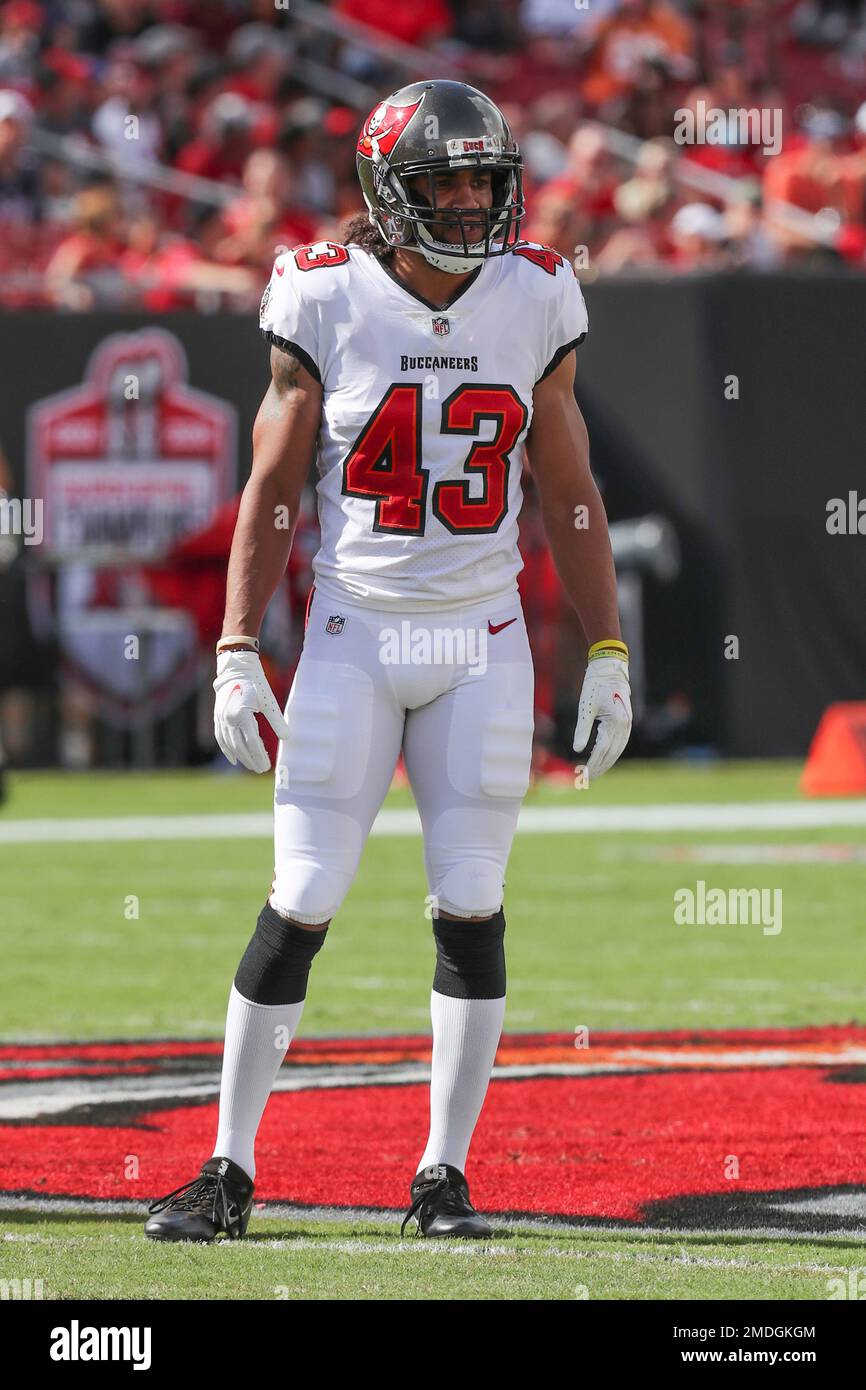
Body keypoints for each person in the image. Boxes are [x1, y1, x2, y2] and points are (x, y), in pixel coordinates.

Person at [145, 79, 632, 1244]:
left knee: (470, 903)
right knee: (301, 894)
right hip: (355, 633)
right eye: (443, 182)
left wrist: (607, 644)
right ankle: (225, 1166)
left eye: (483, 180)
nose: (469, 204)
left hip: (481, 641)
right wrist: (233, 644)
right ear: (386, 192)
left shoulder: (536, 293)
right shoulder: (323, 294)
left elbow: (566, 489)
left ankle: (442, 1176)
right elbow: (268, 491)